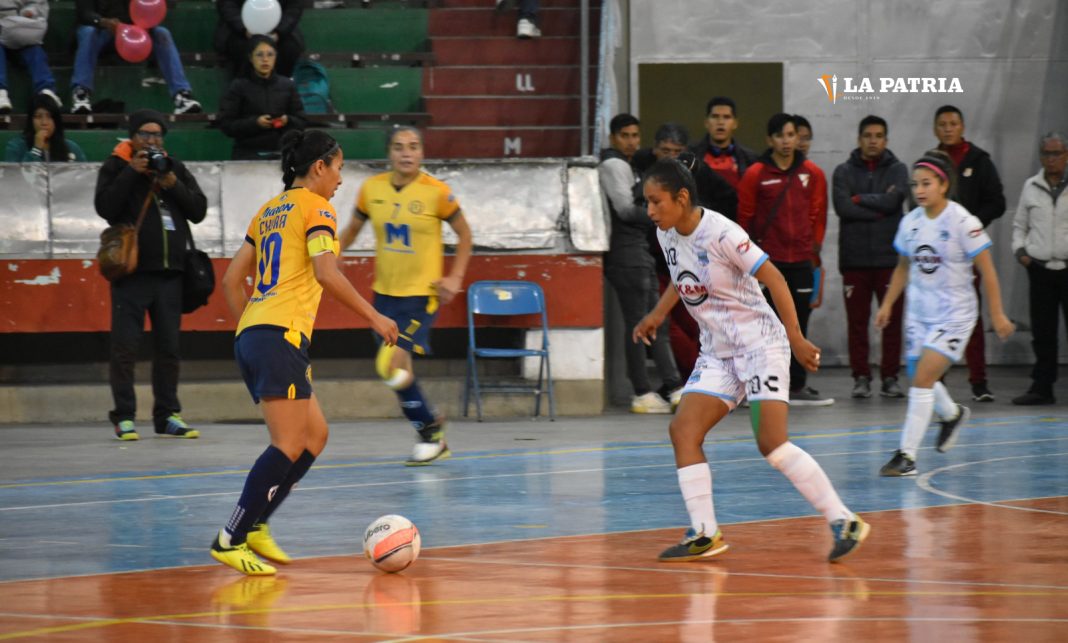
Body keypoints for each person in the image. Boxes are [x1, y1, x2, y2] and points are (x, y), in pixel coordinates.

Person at [633, 158, 870, 563]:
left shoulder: (724, 234)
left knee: (771, 444)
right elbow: (682, 275)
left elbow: (774, 278)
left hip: (761, 346)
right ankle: (705, 533)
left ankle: (844, 520)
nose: (650, 210)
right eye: (647, 202)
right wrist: (657, 313)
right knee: (683, 431)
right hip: (718, 352)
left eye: (656, 201)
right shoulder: (666, 232)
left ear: (682, 197)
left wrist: (795, 338)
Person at [211, 129, 399, 575]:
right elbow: (326, 273)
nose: (340, 179)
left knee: (315, 436)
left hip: (256, 332)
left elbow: (231, 281)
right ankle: (230, 537)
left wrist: (252, 328)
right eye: (338, 168)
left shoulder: (268, 211)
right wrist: (375, 316)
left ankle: (258, 522)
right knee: (288, 444)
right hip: (280, 335)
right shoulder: (318, 208)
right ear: (319, 167)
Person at [339, 126, 473, 465]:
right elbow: (351, 231)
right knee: (400, 373)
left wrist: (455, 277)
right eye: (399, 147)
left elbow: (465, 234)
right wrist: (327, 256)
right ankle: (431, 429)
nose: (406, 153)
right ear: (389, 152)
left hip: (421, 298)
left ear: (422, 153)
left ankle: (430, 433)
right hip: (384, 297)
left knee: (389, 364)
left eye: (413, 146)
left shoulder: (437, 192)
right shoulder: (371, 189)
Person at [875, 151, 1014, 477]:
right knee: (917, 375)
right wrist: (887, 304)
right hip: (918, 312)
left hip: (954, 314)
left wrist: (997, 314)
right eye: (915, 185)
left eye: (926, 183)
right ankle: (951, 415)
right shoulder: (910, 222)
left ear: (943, 184)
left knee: (923, 379)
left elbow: (988, 271)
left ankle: (906, 456)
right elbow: (903, 267)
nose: (919, 190)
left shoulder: (963, 222)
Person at [95, 109, 207, 440]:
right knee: (125, 347)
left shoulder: (173, 168)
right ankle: (124, 416)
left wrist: (172, 184)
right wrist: (131, 172)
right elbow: (105, 208)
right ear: (132, 137)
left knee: (169, 348)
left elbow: (198, 210)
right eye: (145, 134)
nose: (151, 141)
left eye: (157, 134)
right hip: (131, 274)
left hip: (171, 274)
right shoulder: (116, 166)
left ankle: (168, 414)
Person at [736, 113, 832, 406]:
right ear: (770, 140)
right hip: (768, 263)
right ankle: (761, 384)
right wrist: (750, 260)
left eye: (791, 135)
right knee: (766, 324)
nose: (787, 141)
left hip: (802, 262)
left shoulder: (813, 173)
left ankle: (797, 385)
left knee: (800, 323)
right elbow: (745, 218)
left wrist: (812, 251)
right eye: (780, 136)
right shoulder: (755, 174)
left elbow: (818, 214)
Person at [633, 123, 736, 389]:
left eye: (676, 152)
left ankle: (704, 378)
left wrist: (699, 221)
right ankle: (697, 378)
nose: (671, 157)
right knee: (669, 325)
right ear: (655, 150)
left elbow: (729, 197)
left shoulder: (696, 171)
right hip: (659, 261)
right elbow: (636, 205)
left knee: (694, 322)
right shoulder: (645, 170)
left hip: (694, 258)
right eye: (665, 151)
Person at [600, 113, 682, 413]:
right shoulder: (614, 165)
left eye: (635, 135)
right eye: (625, 135)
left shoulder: (628, 165)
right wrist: (661, 214)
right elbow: (625, 209)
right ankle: (645, 392)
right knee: (641, 323)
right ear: (613, 137)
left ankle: (670, 386)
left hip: (636, 252)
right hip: (626, 253)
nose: (632, 141)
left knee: (653, 322)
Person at [832, 115, 908, 399]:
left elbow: (894, 201)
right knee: (857, 323)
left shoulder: (898, 169)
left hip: (890, 261)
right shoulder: (843, 171)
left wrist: (860, 199)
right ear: (859, 139)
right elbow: (843, 208)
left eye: (878, 136)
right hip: (855, 261)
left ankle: (890, 377)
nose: (873, 141)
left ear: (886, 140)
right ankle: (861, 377)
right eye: (868, 136)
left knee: (891, 322)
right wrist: (881, 209)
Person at [933, 105, 1006, 402]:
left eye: (953, 123)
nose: (948, 129)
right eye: (942, 124)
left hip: (969, 251)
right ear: (935, 129)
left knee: (971, 314)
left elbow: (997, 202)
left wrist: (970, 224)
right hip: (937, 253)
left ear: (962, 127)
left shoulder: (979, 161)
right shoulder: (931, 161)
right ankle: (936, 379)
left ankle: (979, 381)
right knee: (938, 315)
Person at [1011, 132, 1068, 405]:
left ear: (1066, 155)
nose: (1052, 159)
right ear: (1040, 156)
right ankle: (1042, 387)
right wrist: (1021, 252)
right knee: (1043, 332)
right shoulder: (1030, 186)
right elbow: (1019, 225)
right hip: (1040, 270)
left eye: (1057, 153)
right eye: (1047, 153)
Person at [71, 0, 202, 115]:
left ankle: (182, 95)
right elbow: (84, 13)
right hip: (102, 29)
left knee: (162, 33)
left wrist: (146, 23)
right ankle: (81, 93)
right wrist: (102, 21)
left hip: (134, 32)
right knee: (88, 32)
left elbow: (156, 7)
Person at [219, 35, 306, 161]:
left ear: (276, 57)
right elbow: (226, 124)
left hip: (281, 152)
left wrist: (287, 120)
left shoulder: (288, 85)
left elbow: (301, 121)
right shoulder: (238, 86)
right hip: (247, 153)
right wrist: (255, 123)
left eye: (270, 54)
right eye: (259, 55)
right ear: (251, 58)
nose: (265, 59)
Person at [215, 0, 304, 79]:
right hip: (239, 31)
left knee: (289, 48)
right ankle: (244, 88)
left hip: (281, 31)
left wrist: (279, 32)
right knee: (242, 49)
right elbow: (227, 6)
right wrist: (244, 29)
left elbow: (294, 7)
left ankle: (282, 87)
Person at [0, 0, 62, 112]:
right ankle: (1, 92)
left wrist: (29, 12)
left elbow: (38, 4)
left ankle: (46, 91)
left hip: (20, 31)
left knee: (35, 50)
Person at [689, 96, 758, 190]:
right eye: (715, 116)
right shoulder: (690, 156)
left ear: (735, 123)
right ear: (706, 122)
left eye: (726, 117)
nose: (720, 122)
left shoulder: (751, 160)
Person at [4, 93, 86, 162]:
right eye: (38, 116)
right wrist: (36, 149)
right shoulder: (16, 147)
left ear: (56, 121)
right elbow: (18, 175)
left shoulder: (71, 148)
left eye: (49, 117)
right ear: (30, 121)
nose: (44, 122)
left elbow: (84, 175)